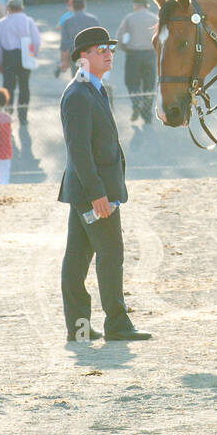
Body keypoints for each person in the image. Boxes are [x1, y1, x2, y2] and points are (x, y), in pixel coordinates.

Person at [58, 25, 150, 342]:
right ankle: (118, 324)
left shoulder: (94, 89)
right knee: (110, 254)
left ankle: (80, 329)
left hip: (90, 190)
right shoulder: (78, 95)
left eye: (109, 48)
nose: (109, 53)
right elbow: (79, 151)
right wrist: (98, 193)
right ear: (83, 58)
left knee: (78, 258)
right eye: (101, 49)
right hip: (93, 192)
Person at [0, 0, 42, 124]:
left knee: (8, 86)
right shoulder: (29, 21)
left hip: (8, 56)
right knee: (24, 86)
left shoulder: (2, 23)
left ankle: (8, 114)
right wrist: (33, 55)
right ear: (22, 7)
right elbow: (37, 41)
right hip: (25, 55)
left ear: (8, 8)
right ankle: (23, 115)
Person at [115, 0, 158, 123]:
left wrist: (123, 47)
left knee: (132, 82)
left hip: (133, 54)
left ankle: (136, 103)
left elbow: (119, 36)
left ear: (137, 5)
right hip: (150, 54)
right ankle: (147, 113)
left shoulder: (129, 17)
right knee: (149, 84)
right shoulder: (154, 18)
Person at [58, 0, 100, 76]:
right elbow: (99, 39)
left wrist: (63, 61)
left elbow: (64, 43)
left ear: (72, 6)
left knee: (77, 79)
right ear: (84, 6)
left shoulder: (67, 21)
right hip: (91, 55)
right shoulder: (93, 20)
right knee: (91, 79)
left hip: (75, 54)